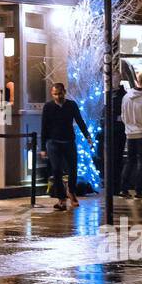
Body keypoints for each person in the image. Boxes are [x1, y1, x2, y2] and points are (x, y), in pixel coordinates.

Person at [40, 82, 91, 211]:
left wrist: (87, 136)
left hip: (68, 141)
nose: (57, 97)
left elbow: (79, 121)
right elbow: (44, 127)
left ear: (64, 92)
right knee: (56, 170)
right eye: (55, 94)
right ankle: (61, 198)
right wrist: (42, 147)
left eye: (60, 93)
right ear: (52, 94)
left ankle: (71, 192)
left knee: (72, 168)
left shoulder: (71, 105)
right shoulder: (48, 107)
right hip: (53, 142)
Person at [119, 71, 142, 199]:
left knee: (130, 161)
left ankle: (124, 188)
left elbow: (123, 116)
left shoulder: (126, 97)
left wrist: (129, 126)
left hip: (130, 134)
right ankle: (138, 191)